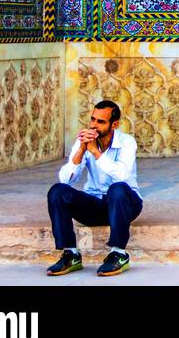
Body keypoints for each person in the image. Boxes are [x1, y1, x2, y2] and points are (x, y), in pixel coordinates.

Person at [46, 100, 143, 276]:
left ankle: (118, 253)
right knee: (57, 191)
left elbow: (121, 175)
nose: (93, 126)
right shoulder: (85, 141)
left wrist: (96, 153)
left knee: (118, 189)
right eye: (92, 119)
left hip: (126, 204)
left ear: (114, 125)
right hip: (95, 205)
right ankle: (70, 254)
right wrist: (81, 150)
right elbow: (65, 179)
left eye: (100, 122)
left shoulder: (127, 142)